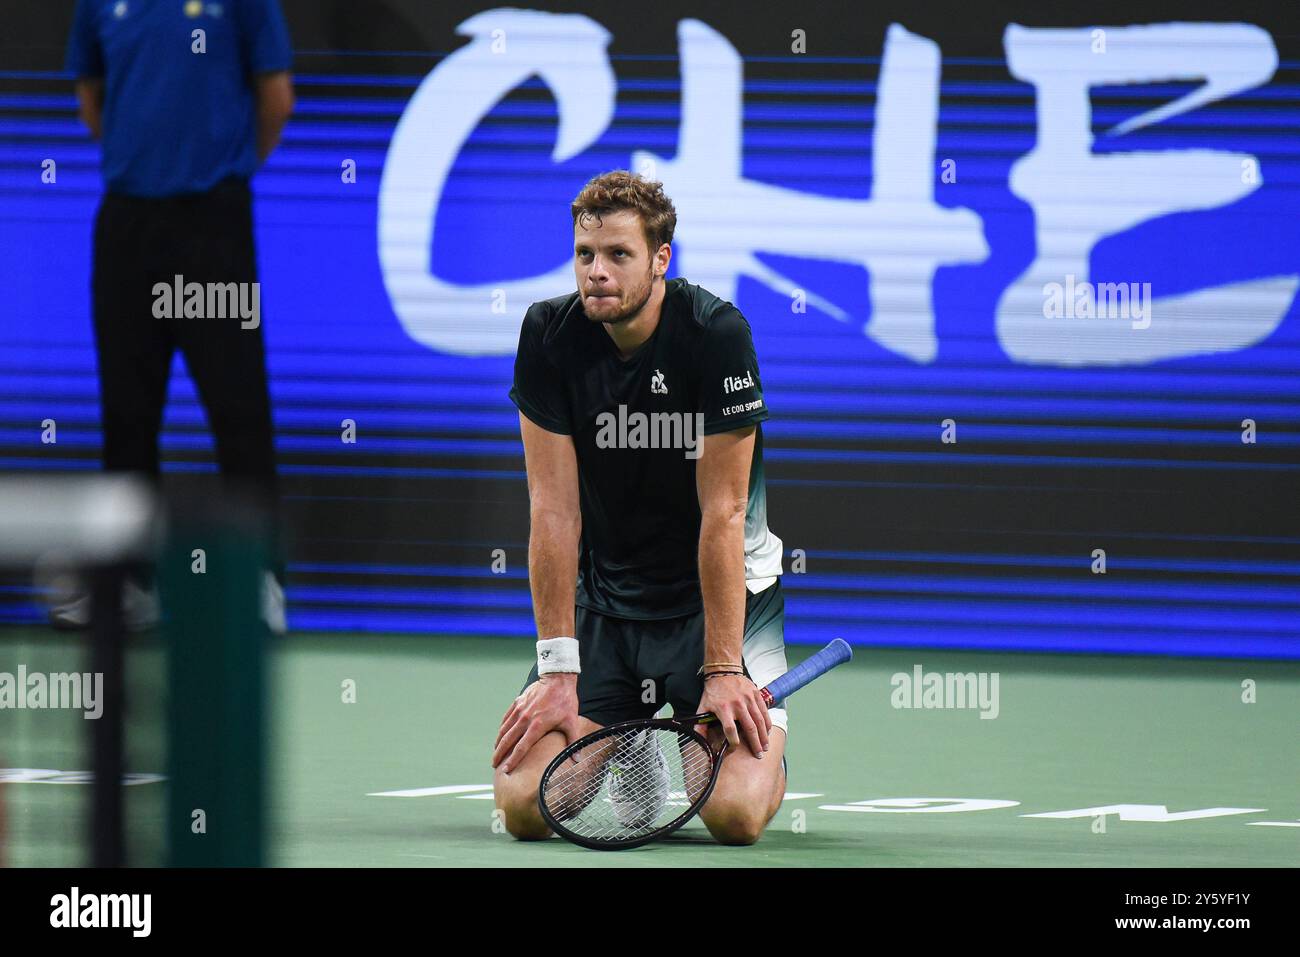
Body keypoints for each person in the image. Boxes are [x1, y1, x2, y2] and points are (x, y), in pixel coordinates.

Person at [492, 170, 788, 844]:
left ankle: (729, 739)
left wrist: (719, 670)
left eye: (618, 255)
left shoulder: (715, 335)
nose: (596, 272)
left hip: (719, 603)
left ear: (661, 259)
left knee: (735, 814)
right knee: (524, 804)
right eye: (584, 254)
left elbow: (725, 512)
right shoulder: (548, 334)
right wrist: (558, 668)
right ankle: (633, 744)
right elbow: (553, 511)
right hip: (606, 606)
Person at [56, 0, 294, 632]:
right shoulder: (97, 5)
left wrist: (218, 176)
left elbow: (275, 97)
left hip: (214, 225)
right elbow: (92, 97)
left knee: (238, 407)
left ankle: (260, 585)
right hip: (128, 225)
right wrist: (147, 166)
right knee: (127, 412)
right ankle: (129, 585)